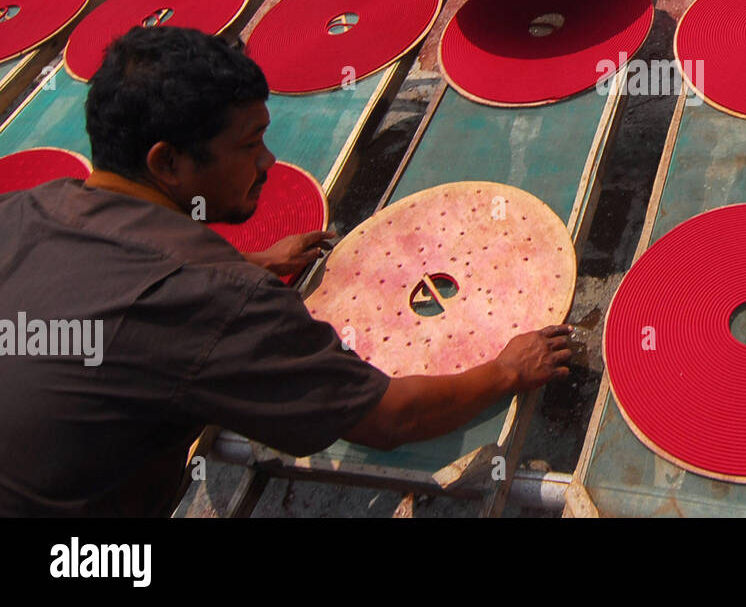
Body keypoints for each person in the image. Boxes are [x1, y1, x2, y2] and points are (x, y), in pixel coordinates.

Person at [0, 26, 572, 516]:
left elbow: (122, 274)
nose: (269, 162)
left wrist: (253, 261)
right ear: (167, 161)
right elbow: (387, 418)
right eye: (250, 144)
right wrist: (504, 371)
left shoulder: (29, 207)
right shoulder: (218, 303)